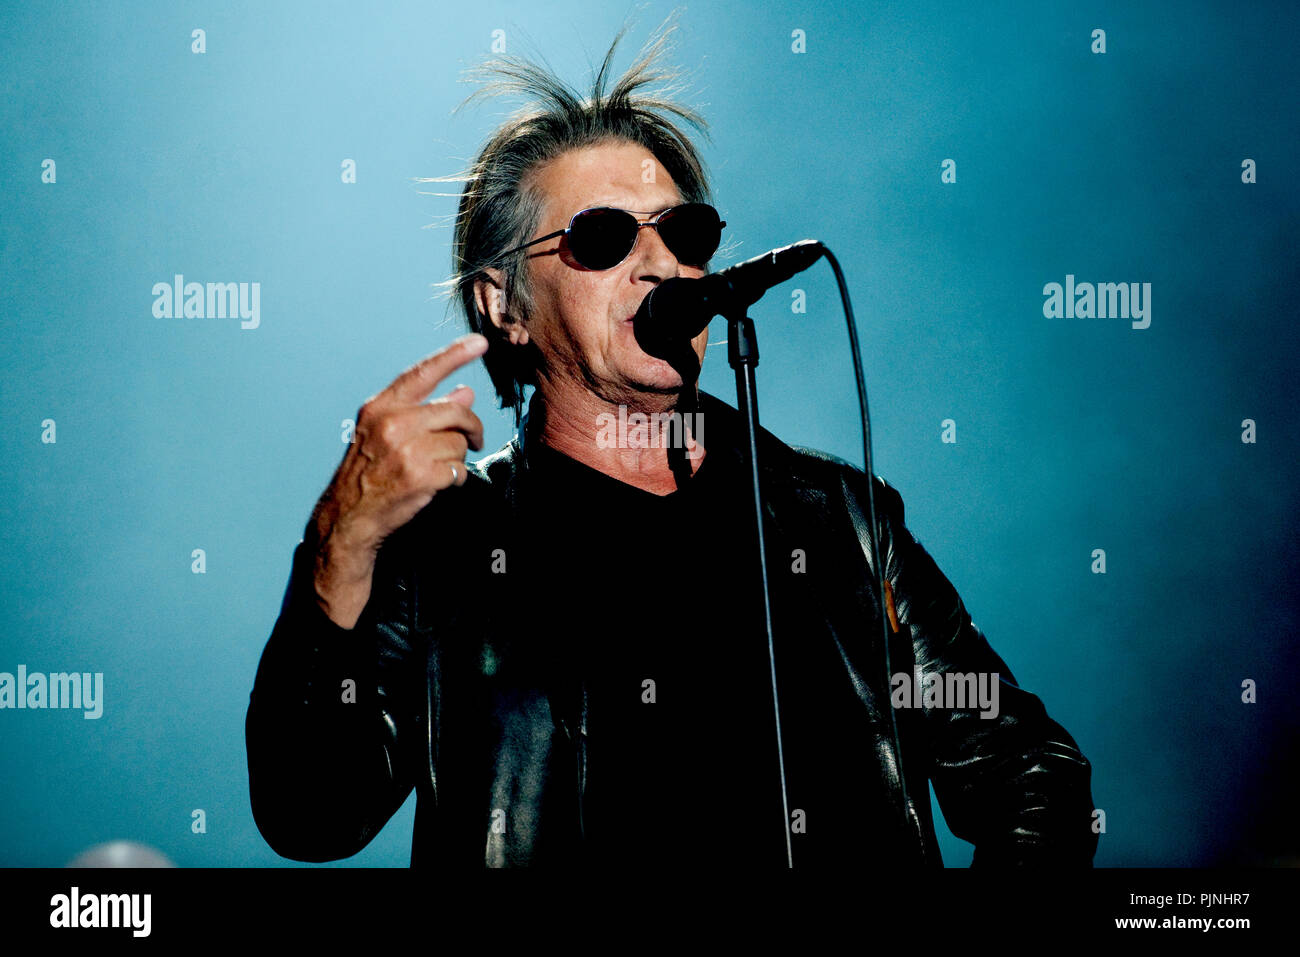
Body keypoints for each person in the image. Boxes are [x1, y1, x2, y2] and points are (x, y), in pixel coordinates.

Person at [244, 24, 1098, 868]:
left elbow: (1034, 772)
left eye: (684, 234)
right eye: (604, 237)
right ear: (503, 304)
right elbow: (311, 808)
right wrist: (340, 540)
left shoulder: (836, 517)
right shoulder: (446, 547)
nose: (660, 263)